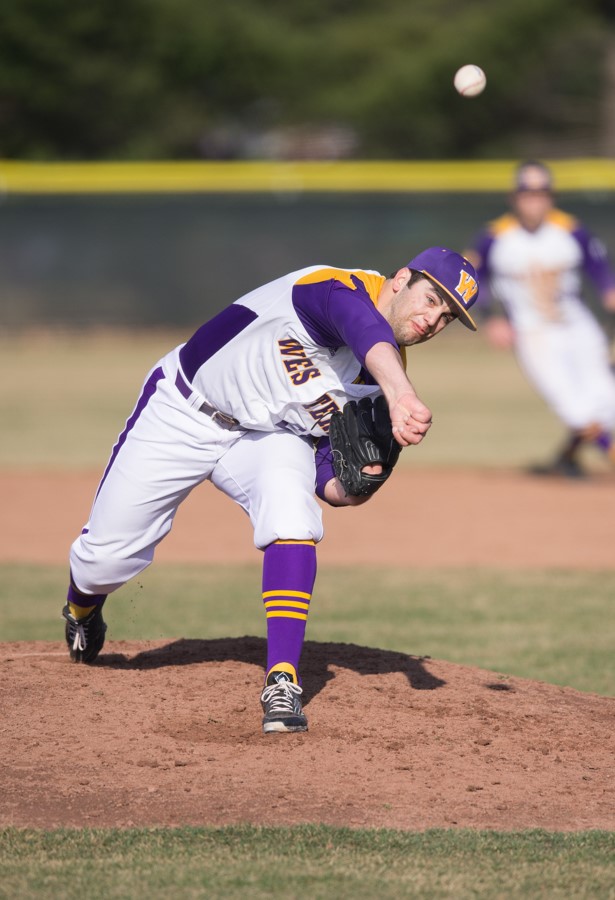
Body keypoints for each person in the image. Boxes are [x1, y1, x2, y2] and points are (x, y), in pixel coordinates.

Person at [62, 247, 479, 734]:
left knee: (293, 517)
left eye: (447, 317)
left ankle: (282, 680)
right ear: (402, 279)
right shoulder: (335, 289)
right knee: (105, 559)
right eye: (431, 299)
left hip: (267, 434)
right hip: (184, 410)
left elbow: (326, 467)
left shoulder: (375, 379)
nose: (433, 320)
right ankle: (82, 608)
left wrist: (355, 488)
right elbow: (362, 328)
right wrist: (401, 391)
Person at [468, 160, 615, 479]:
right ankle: (604, 450)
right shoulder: (494, 237)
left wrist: (608, 290)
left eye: (542, 192)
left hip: (578, 326)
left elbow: (599, 267)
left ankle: (566, 458)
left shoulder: (570, 229)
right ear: (514, 197)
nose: (535, 199)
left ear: (552, 196)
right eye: (528, 192)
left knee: (607, 402)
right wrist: (491, 319)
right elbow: (472, 278)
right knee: (572, 405)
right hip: (533, 333)